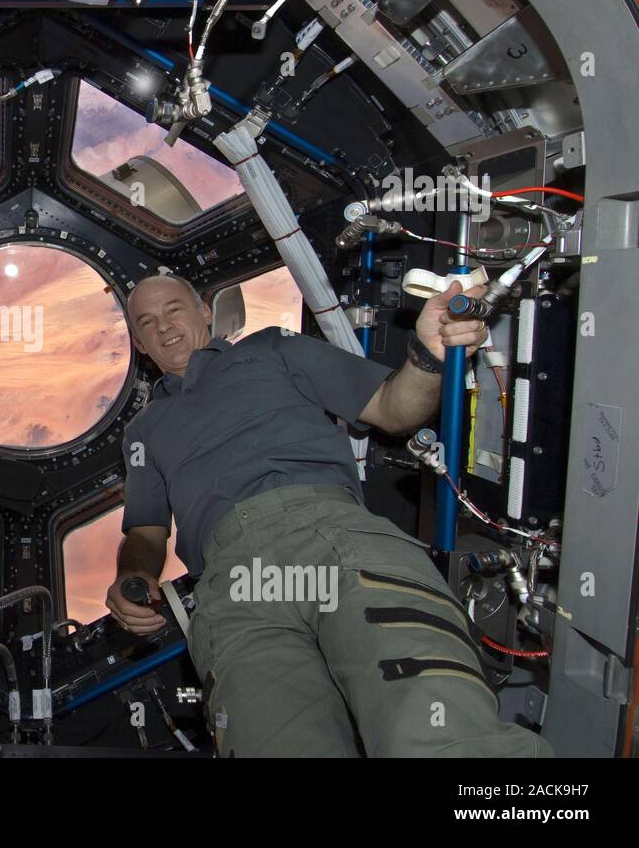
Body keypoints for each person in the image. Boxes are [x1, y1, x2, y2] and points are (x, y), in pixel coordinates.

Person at [105, 274, 551, 757]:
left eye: (173, 309)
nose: (163, 327)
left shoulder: (273, 349)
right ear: (139, 343)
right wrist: (133, 574)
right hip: (234, 585)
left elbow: (393, 408)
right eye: (146, 322)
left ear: (205, 311)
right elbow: (146, 531)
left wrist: (428, 355)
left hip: (332, 538)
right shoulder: (143, 431)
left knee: (434, 724)